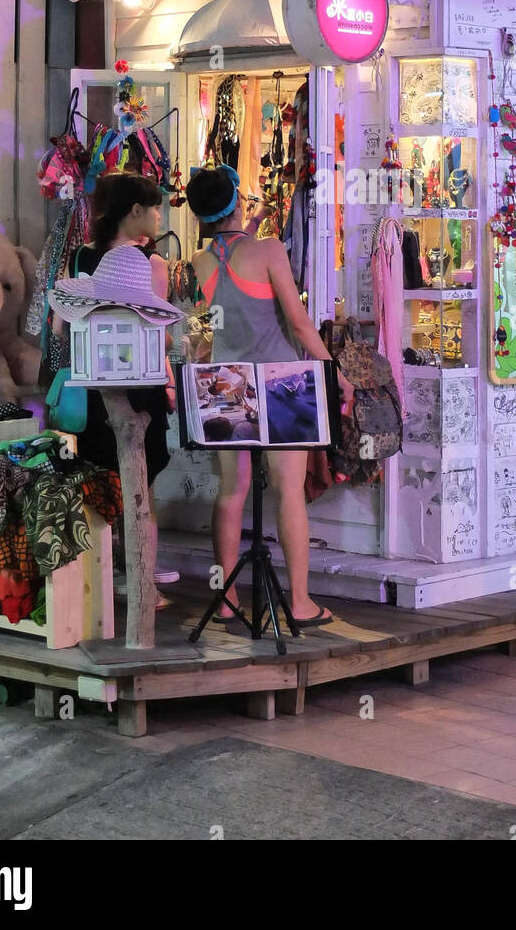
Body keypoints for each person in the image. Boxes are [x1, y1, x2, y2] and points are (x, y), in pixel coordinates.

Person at [188, 164, 354, 626]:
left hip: (224, 381)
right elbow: (298, 323)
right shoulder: (269, 251)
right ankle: (298, 603)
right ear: (238, 201)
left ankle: (225, 600)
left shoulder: (200, 263)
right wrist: (333, 370)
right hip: (281, 382)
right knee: (288, 493)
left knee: (231, 492)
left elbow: (221, 314)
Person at [52, 172, 178, 607]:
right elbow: (158, 336)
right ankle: (144, 587)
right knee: (141, 485)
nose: (161, 216)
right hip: (138, 390)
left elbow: (60, 328)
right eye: (156, 207)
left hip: (92, 388)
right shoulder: (150, 263)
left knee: (99, 484)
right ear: (136, 211)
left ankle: (99, 584)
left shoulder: (79, 260)